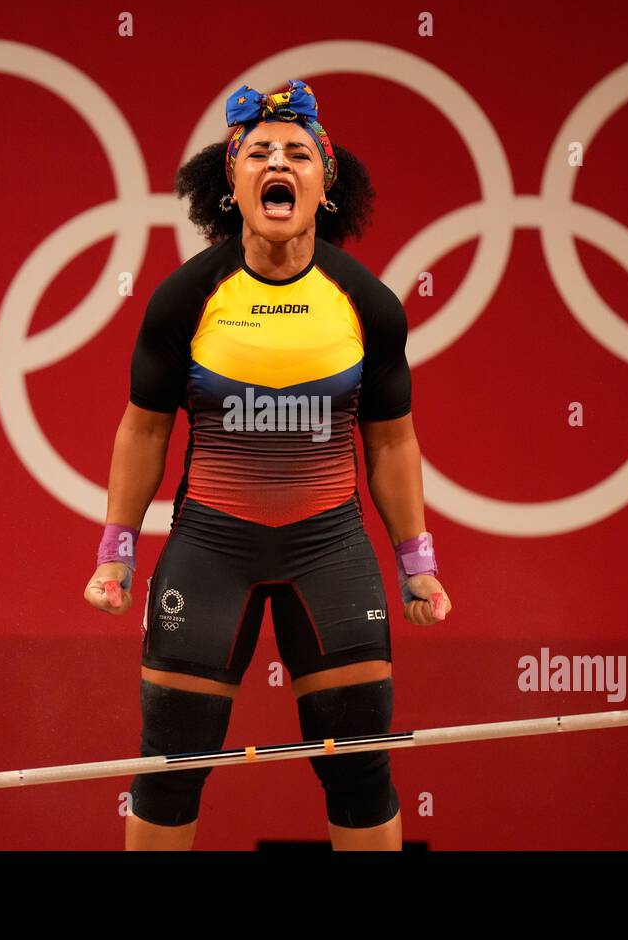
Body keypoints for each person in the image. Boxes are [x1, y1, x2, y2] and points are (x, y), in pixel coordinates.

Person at [83, 79, 452, 850]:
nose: (277, 163)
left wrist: (417, 563)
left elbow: (392, 442)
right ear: (232, 183)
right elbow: (143, 431)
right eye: (257, 153)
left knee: (360, 771)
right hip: (210, 553)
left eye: (296, 154)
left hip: (331, 552)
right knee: (169, 771)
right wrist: (115, 553)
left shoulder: (367, 304)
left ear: (324, 184)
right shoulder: (185, 299)